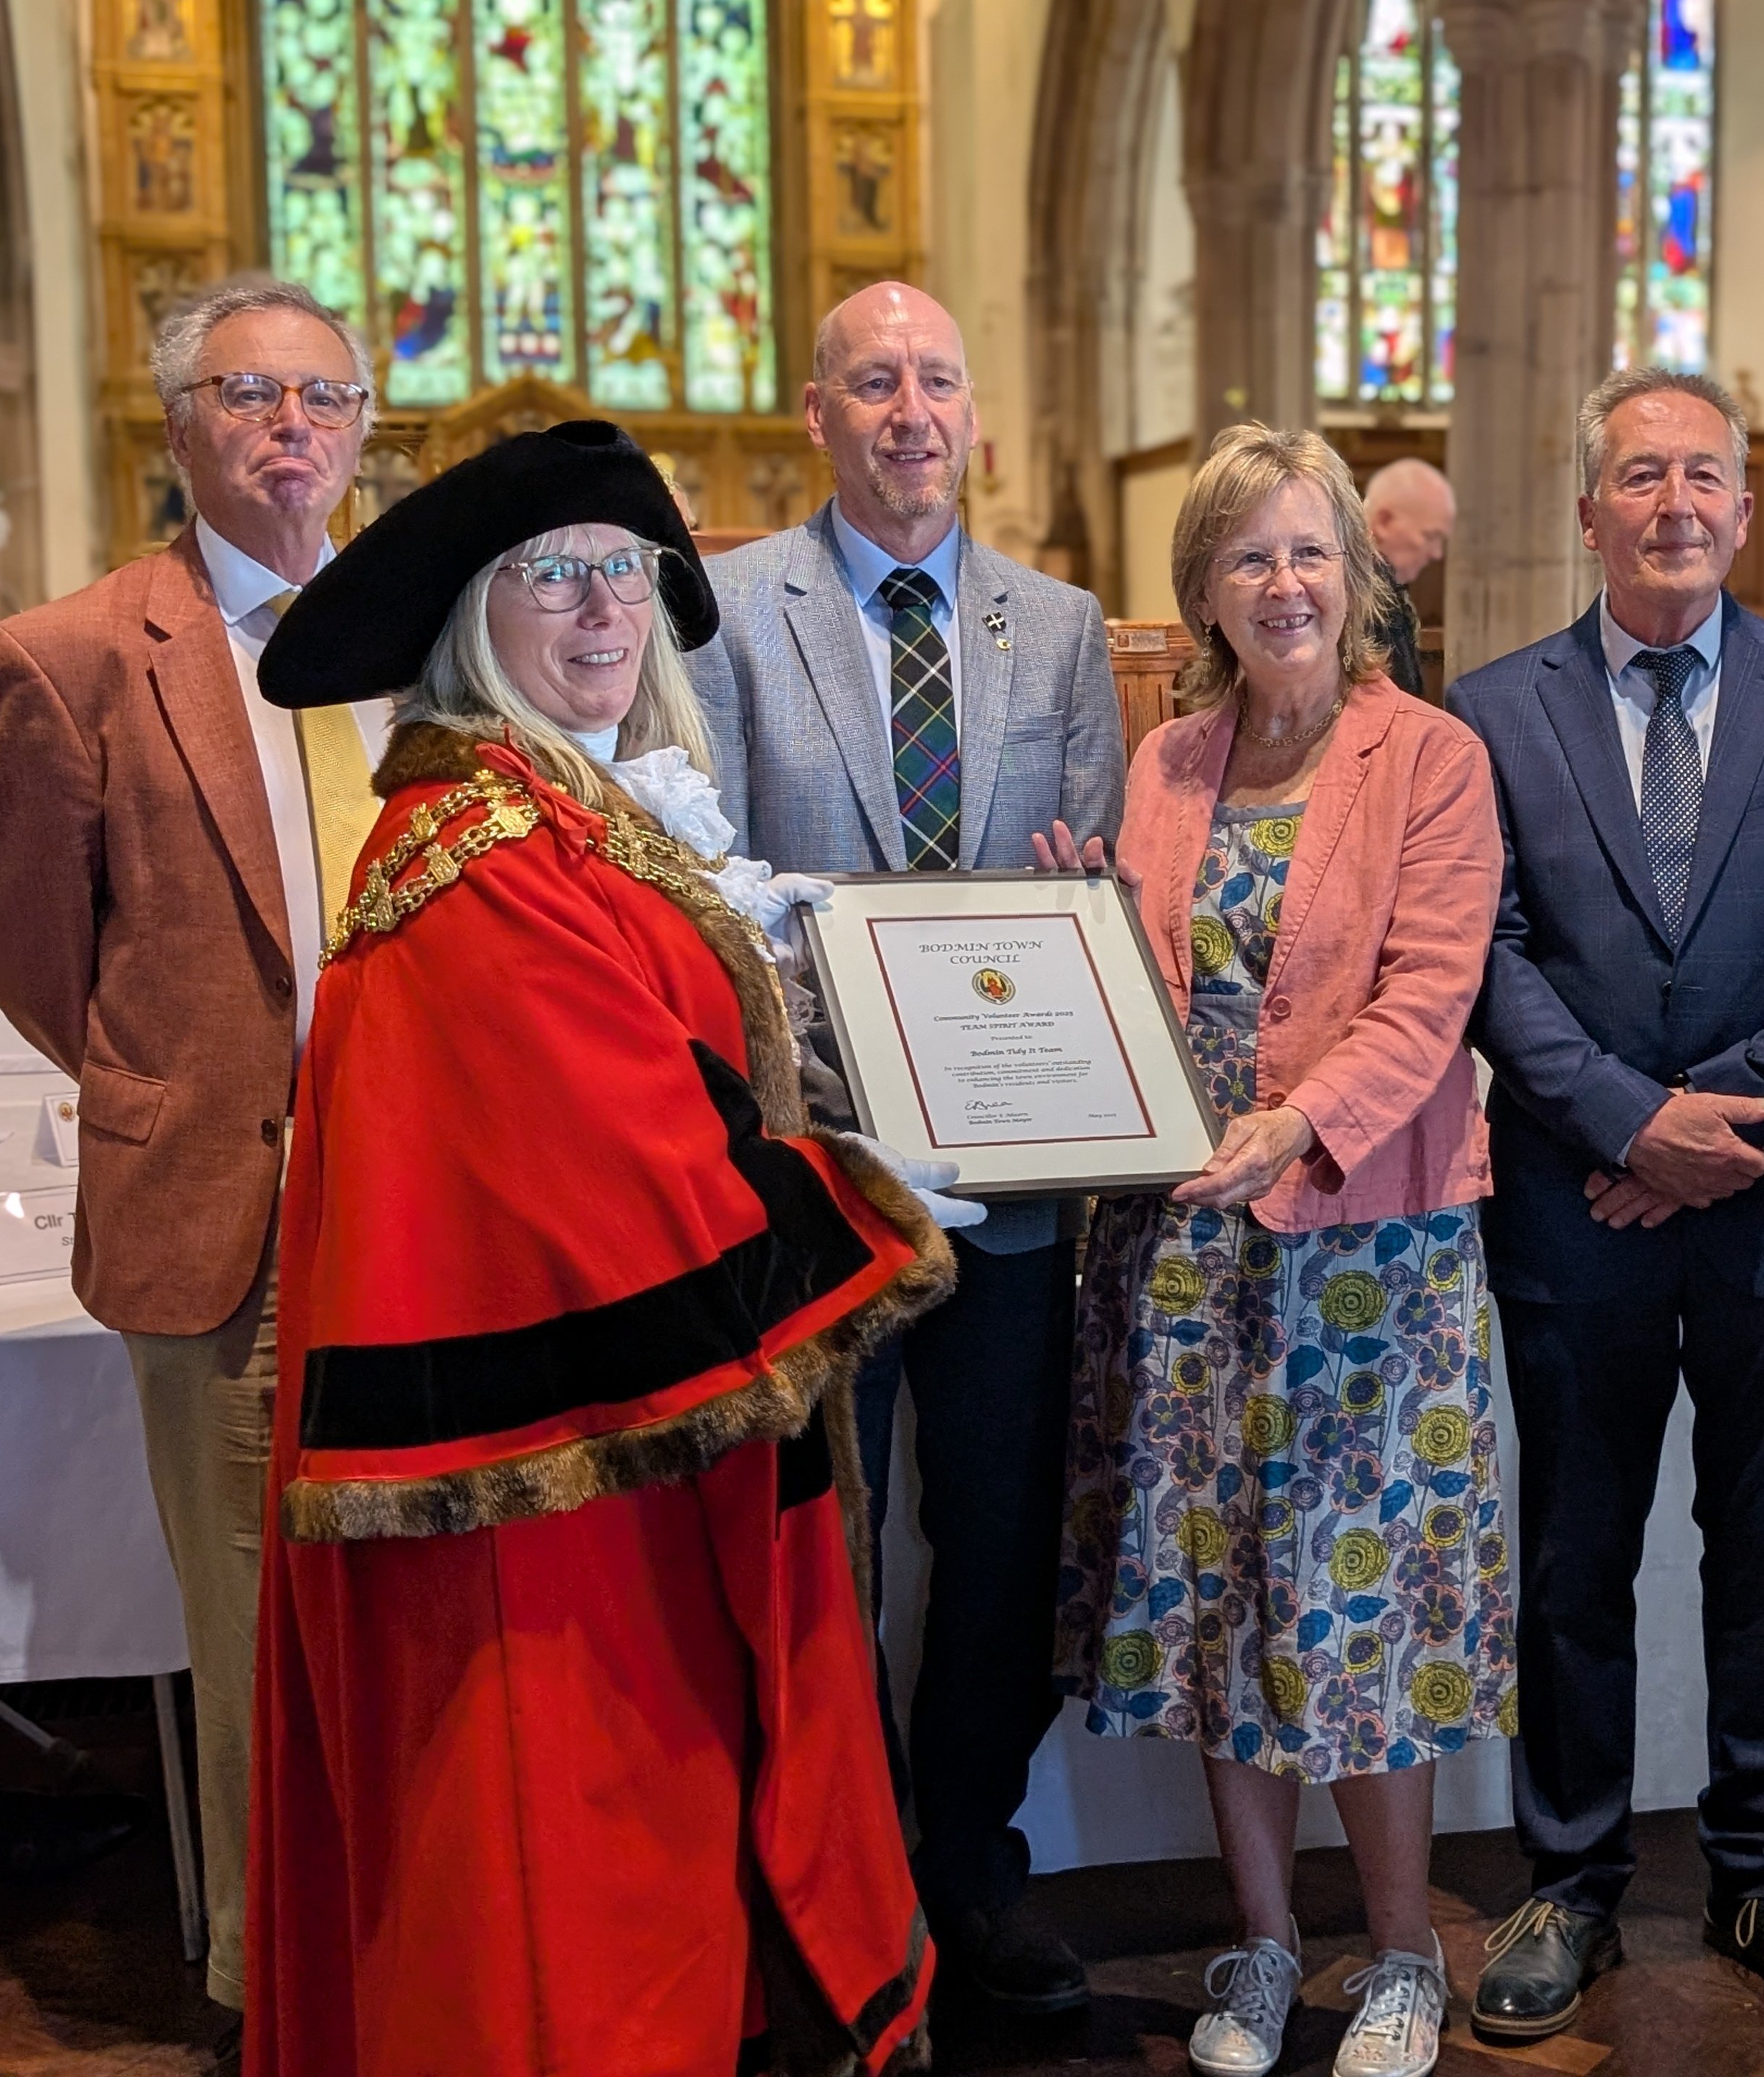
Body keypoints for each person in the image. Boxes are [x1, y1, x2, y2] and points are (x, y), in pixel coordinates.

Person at [244, 419, 960, 2076]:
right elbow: (612, 1162)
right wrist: (855, 1198)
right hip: (541, 1508)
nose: (601, 610)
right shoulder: (478, 852)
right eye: (551, 574)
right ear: (471, 618)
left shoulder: (561, 810)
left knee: (643, 1868)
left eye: (625, 574)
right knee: (560, 1886)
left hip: (613, 1453)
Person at [1046, 424, 1512, 2077]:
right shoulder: (1167, 763)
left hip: (1366, 1255)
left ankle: (1400, 1955)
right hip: (1186, 1256)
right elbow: (1138, 977)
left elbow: (1431, 990)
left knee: (1362, 1607)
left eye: (1309, 548)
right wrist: (1069, 934)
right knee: (1219, 1603)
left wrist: (1297, 1122)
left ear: (1356, 574)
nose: (1284, 581)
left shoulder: (1430, 757)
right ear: (1204, 589)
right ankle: (1258, 1943)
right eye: (1248, 555)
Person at [689, 277, 1125, 2012]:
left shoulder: (1060, 628)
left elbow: (1090, 887)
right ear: (819, 414)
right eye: (873, 381)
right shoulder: (728, 611)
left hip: (1010, 1182)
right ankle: (834, 1880)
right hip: (819, 1172)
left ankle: (967, 1864)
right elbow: (708, 889)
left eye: (936, 379)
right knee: (825, 1545)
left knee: (1001, 1541)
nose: (909, 411)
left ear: (974, 415)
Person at [1447, 368, 1764, 2042]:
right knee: (1575, 1550)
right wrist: (1630, 1123)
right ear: (1588, 511)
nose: (1674, 504)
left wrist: (1716, 1119)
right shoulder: (1494, 710)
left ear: (1745, 506)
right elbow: (1486, 950)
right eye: (1639, 476)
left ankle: (1757, 1865)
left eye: (1703, 475)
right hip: (1575, 1201)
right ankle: (1568, 1876)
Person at [0, 274, 386, 2042]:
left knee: (401, 1606)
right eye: (248, 393)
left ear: (363, 432)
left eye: (322, 396)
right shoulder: (72, 655)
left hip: (424, 1196)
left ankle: (401, 1959)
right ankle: (270, 1989)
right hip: (232, 1200)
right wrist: (186, 1083)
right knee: (255, 1621)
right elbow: (33, 956)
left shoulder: (423, 643)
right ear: (179, 426)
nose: (290, 425)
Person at [1363, 455, 1454, 698]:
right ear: (1384, 521)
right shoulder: (1355, 589)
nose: (1436, 553)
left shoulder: (1386, 582)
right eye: (1428, 536)